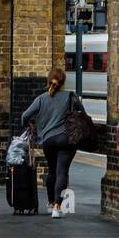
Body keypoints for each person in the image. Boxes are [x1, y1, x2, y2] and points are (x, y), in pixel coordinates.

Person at [21, 67, 78, 219]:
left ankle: (51, 203)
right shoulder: (71, 97)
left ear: (49, 81)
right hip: (67, 139)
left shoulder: (41, 99)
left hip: (48, 141)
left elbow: (25, 115)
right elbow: (82, 115)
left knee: (52, 171)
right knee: (62, 172)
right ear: (63, 81)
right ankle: (57, 208)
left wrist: (30, 125)